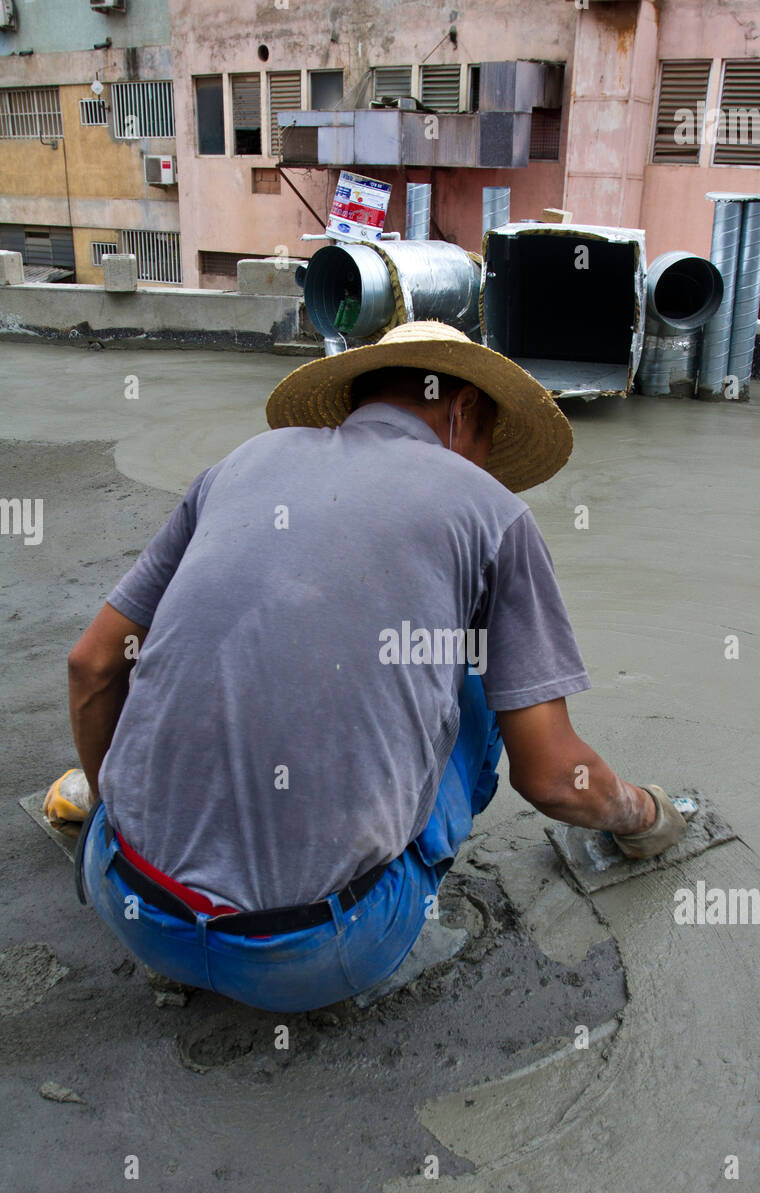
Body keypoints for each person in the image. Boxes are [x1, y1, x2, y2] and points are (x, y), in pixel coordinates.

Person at [58, 320, 686, 1012]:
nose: (480, 467)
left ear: (356, 399)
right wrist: (645, 817)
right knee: (477, 671)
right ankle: (393, 913)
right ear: (463, 411)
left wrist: (111, 804)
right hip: (316, 957)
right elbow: (551, 777)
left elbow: (92, 666)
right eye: (485, 445)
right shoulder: (493, 513)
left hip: (127, 902)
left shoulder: (240, 464)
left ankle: (157, 900)